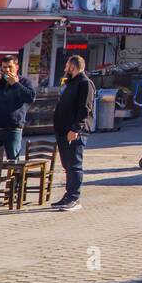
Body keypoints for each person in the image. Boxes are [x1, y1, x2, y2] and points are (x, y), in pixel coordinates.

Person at [52, 56, 95, 211]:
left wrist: (75, 129)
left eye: (67, 67)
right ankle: (68, 195)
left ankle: (74, 198)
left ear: (73, 67)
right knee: (67, 165)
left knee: (74, 165)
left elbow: (85, 108)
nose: (64, 69)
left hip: (75, 132)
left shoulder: (85, 83)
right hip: (63, 130)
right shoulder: (71, 83)